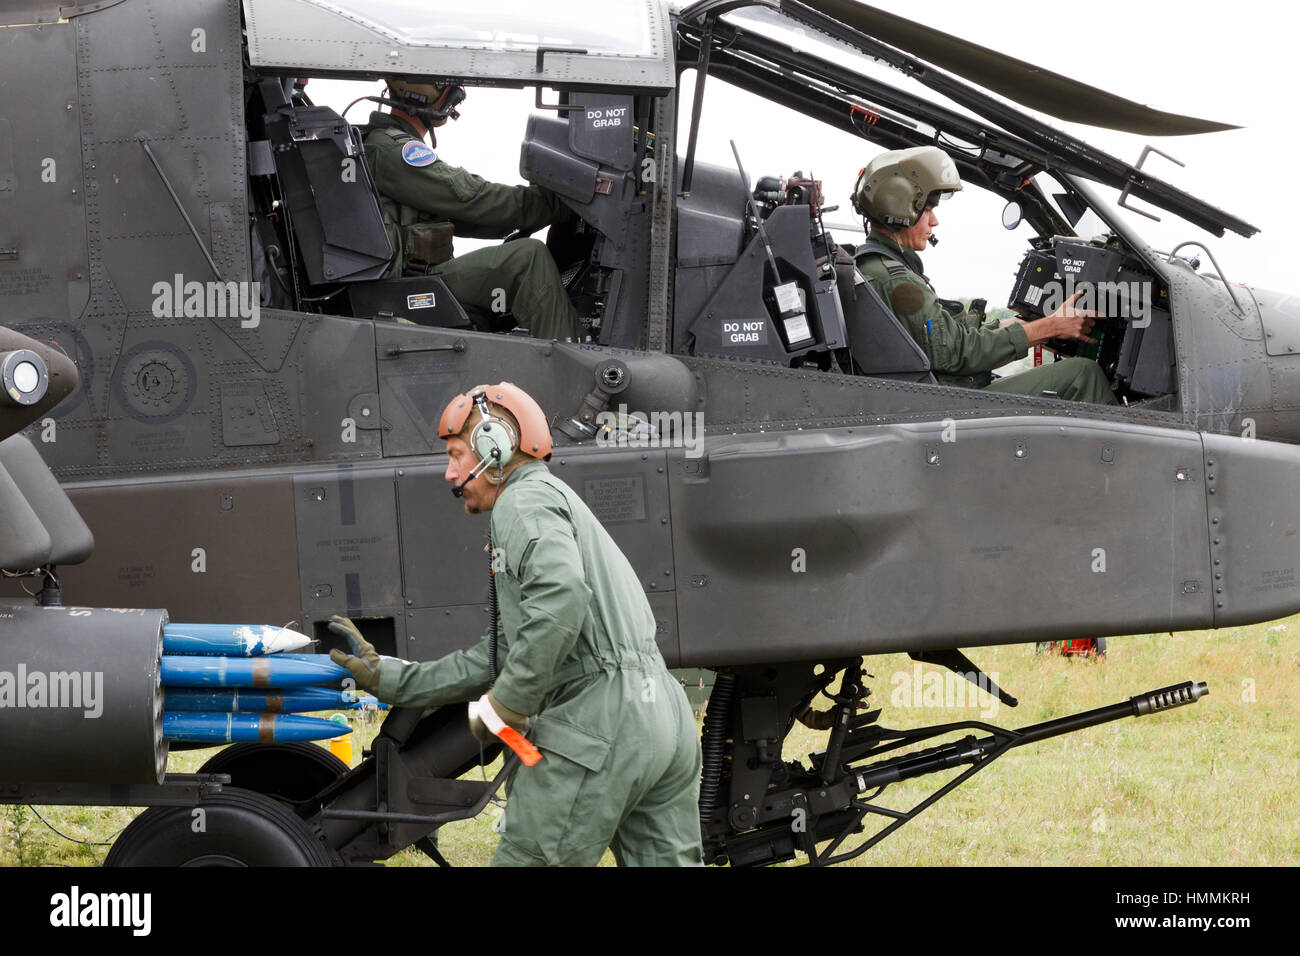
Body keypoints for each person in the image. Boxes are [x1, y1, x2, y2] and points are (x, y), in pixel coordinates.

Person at [329, 383, 703, 867]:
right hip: (663, 721)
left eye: (456, 454)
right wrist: (393, 679)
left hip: (599, 722)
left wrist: (510, 703)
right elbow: (500, 654)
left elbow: (562, 597)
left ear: (494, 446)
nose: (450, 472)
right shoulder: (552, 501)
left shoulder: (521, 502)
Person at [852, 146, 1117, 404]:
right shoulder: (896, 281)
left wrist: (1031, 327)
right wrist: (1051, 326)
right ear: (900, 208)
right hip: (943, 406)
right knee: (1084, 374)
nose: (934, 221)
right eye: (928, 210)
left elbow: (949, 336)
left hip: (934, 396)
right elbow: (957, 353)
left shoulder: (881, 269)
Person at [362, 79, 585, 342]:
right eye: (448, 89)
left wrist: (533, 216)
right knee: (526, 259)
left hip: (406, 284)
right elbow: (472, 198)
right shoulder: (391, 150)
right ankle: (576, 366)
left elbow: (468, 216)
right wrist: (565, 201)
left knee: (518, 249)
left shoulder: (387, 145)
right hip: (401, 292)